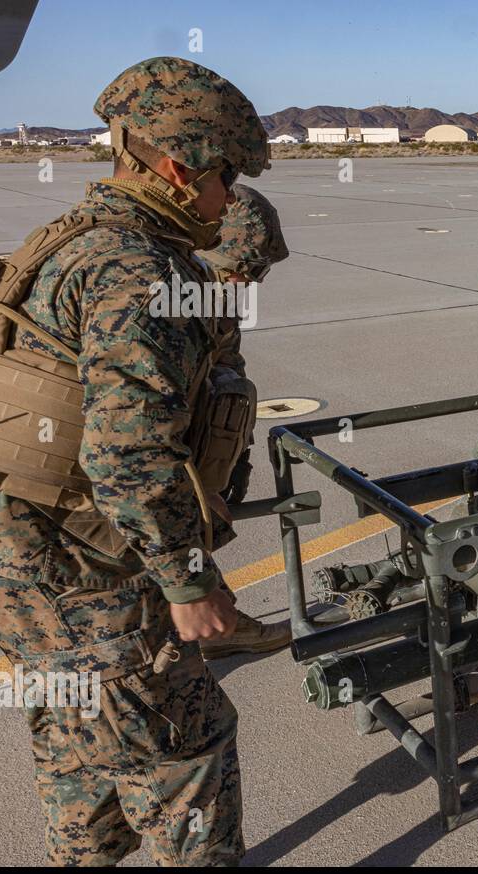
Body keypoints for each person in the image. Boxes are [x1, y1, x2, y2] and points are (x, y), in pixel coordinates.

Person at [0, 56, 270, 864]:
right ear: (182, 169)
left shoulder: (70, 243)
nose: (230, 200)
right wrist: (190, 583)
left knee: (80, 760)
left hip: (29, 576)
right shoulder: (139, 273)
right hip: (97, 587)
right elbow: (128, 455)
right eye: (226, 176)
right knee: (188, 757)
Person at [195, 183, 293, 660]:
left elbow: (223, 377)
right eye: (242, 268)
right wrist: (199, 485)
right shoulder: (162, 295)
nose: (249, 281)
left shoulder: (210, 294)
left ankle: (214, 624)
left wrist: (230, 457)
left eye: (258, 271)